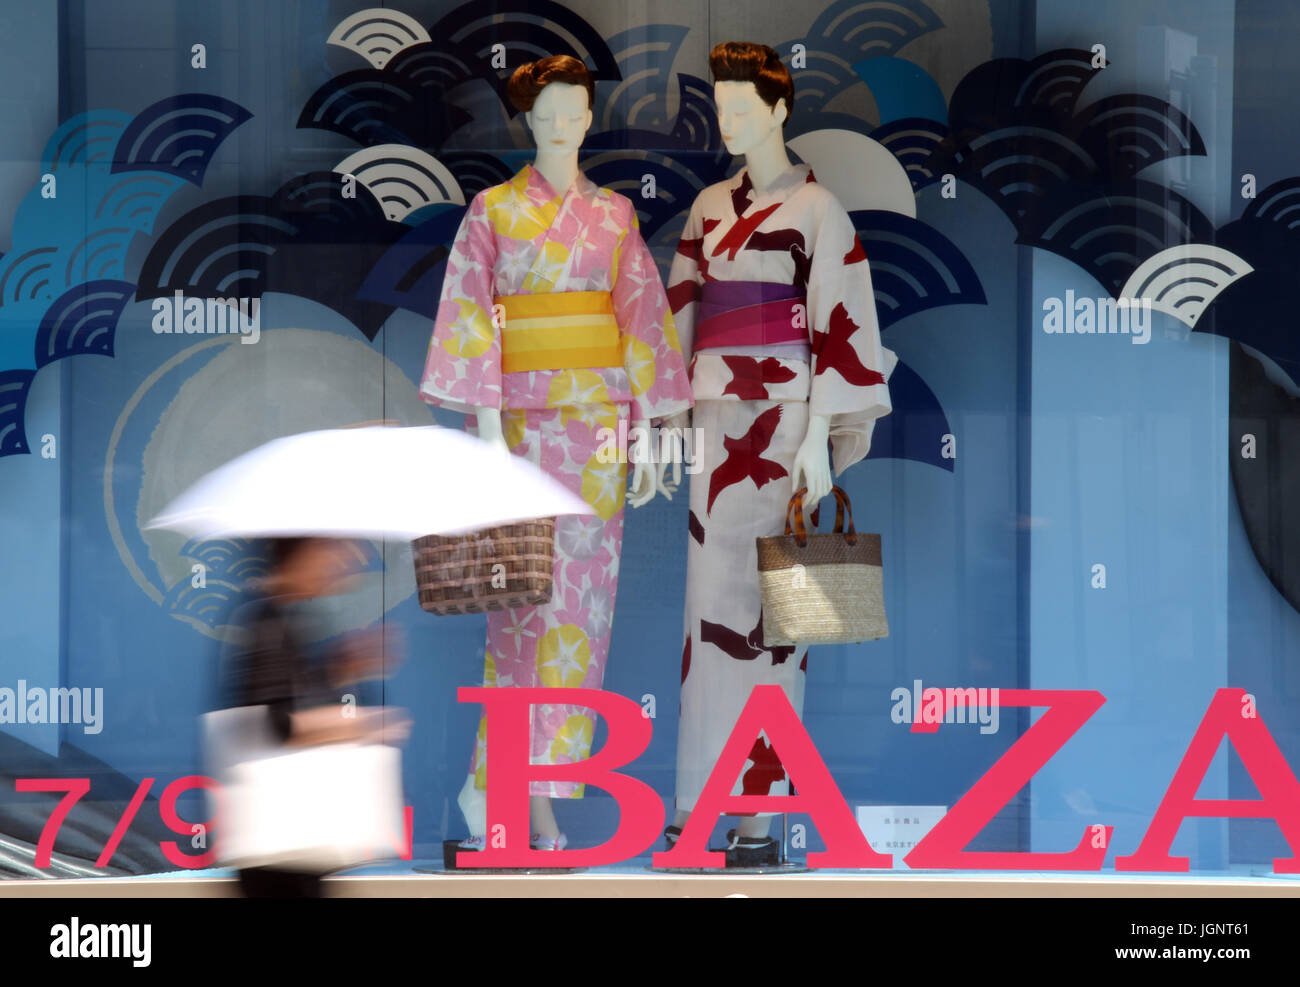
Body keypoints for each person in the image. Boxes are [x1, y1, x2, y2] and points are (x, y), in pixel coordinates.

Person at [419, 54, 692, 855]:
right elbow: (471, 313)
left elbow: (641, 319)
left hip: (596, 433)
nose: (565, 124)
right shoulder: (493, 211)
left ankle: (534, 795)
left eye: (577, 110)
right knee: (522, 612)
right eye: (550, 111)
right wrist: (484, 428)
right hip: (521, 430)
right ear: (527, 121)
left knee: (580, 617)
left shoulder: (613, 216)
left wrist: (647, 431)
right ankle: (502, 788)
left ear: (588, 118)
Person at [661, 41, 893, 866]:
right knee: (707, 613)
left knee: (776, 623)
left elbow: (842, 322)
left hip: (788, 422)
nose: (728, 121)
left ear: (779, 109)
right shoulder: (706, 208)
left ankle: (756, 816)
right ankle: (694, 799)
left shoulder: (821, 210)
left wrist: (824, 444)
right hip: (716, 417)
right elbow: (679, 315)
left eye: (743, 107)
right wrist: (668, 417)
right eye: (720, 108)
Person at [218, 535, 407, 897]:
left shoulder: (282, 617)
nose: (341, 564)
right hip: (279, 843)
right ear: (299, 554)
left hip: (288, 843)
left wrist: (340, 667)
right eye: (330, 552)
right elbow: (278, 722)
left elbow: (288, 697)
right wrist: (362, 723)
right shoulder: (267, 622)